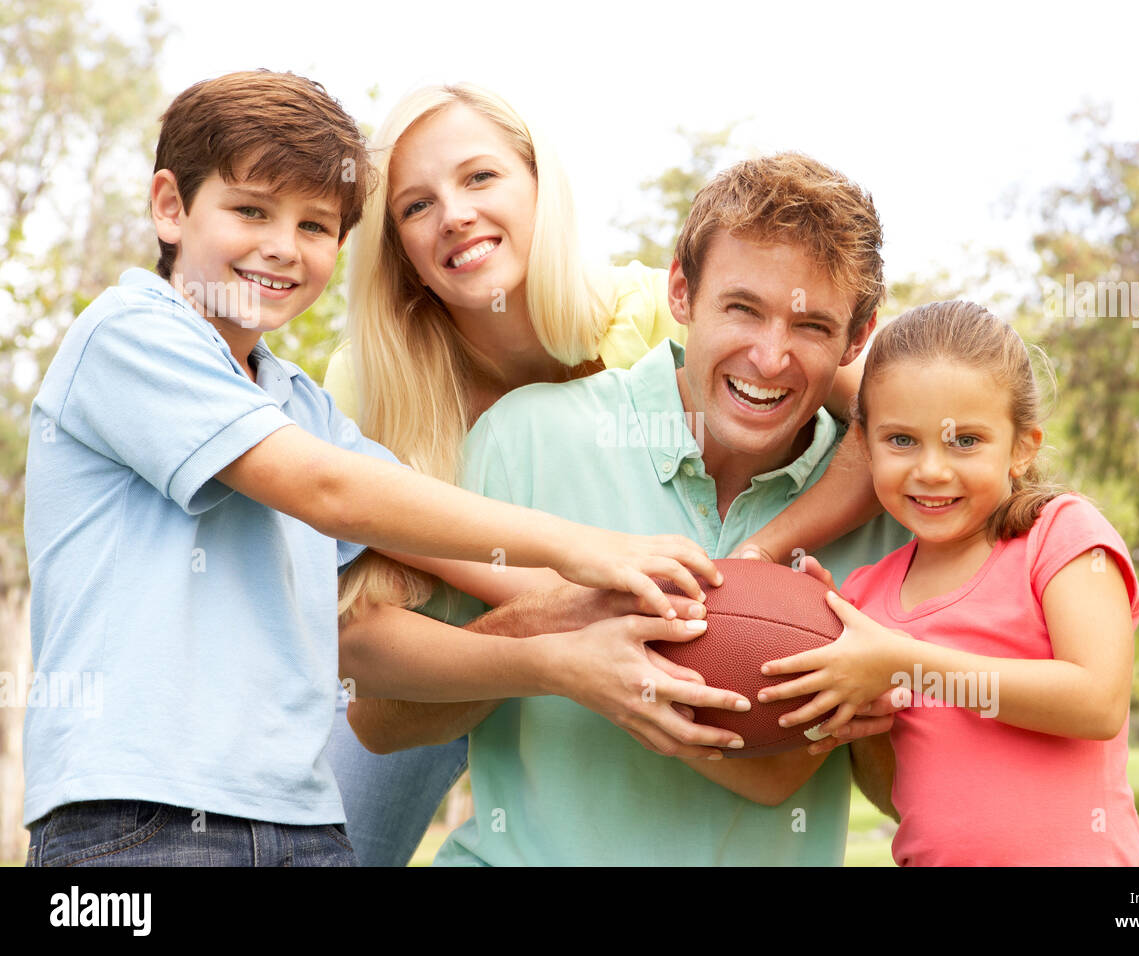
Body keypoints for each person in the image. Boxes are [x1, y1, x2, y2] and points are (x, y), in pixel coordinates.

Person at [21, 70, 720, 867]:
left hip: (301, 823)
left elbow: (442, 541)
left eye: (315, 225)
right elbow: (330, 491)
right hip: (142, 816)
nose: (283, 246)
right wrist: (583, 546)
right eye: (251, 210)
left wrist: (640, 615)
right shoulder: (131, 332)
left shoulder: (296, 401)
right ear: (170, 206)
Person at [320, 85, 877, 865]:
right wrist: (562, 645)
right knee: (337, 840)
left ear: (541, 187)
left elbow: (893, 408)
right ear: (398, 248)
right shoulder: (381, 387)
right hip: (430, 650)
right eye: (415, 206)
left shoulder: (641, 308)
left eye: (480, 178)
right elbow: (368, 668)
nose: (454, 215)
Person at [759, 300, 1139, 865]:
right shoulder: (864, 598)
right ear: (864, 444)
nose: (932, 469)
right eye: (901, 440)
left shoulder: (1060, 535)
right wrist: (840, 667)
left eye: (966, 441)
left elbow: (1097, 702)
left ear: (1021, 447)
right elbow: (892, 792)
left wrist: (902, 661)